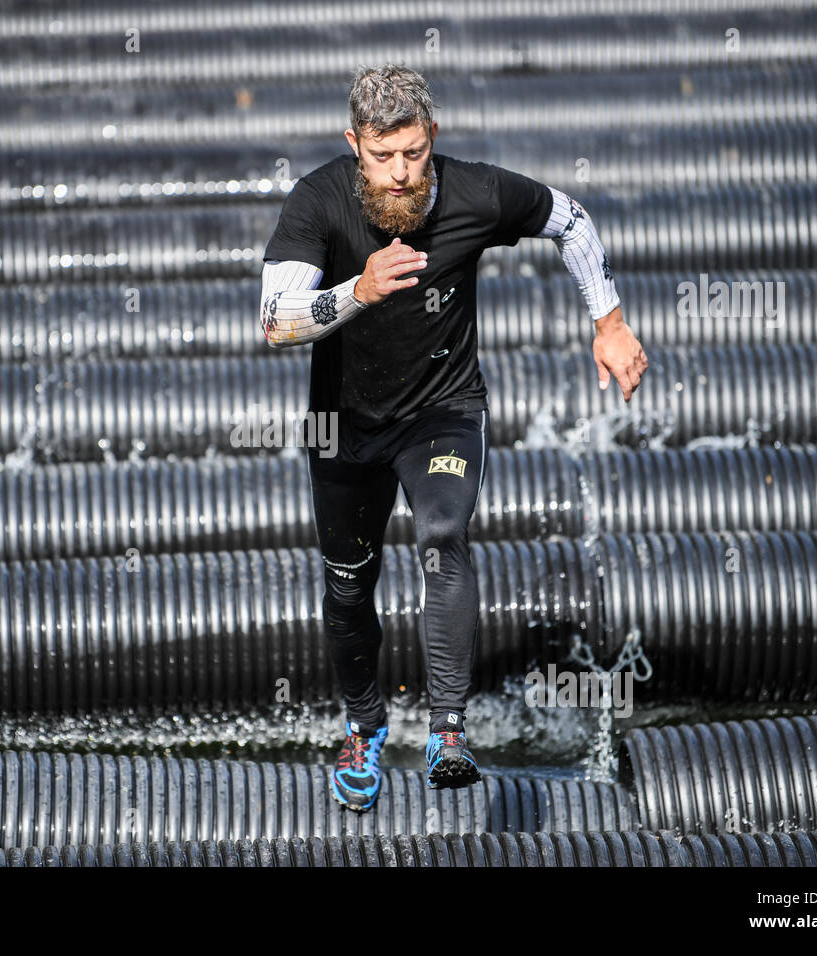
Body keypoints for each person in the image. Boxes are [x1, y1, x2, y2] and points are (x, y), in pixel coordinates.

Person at [260, 65, 648, 811]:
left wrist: (609, 321)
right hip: (343, 423)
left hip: (445, 409)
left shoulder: (476, 193)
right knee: (348, 586)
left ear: (431, 137)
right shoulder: (317, 200)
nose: (401, 174)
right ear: (355, 145)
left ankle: (447, 730)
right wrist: (358, 289)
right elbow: (275, 319)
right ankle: (364, 728)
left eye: (413, 152)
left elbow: (569, 218)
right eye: (383, 157)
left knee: (443, 533)